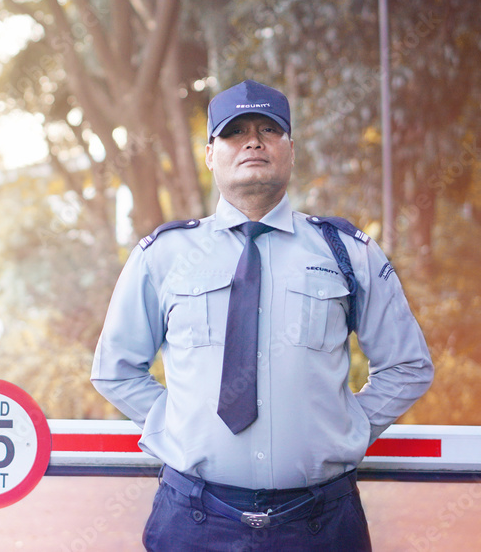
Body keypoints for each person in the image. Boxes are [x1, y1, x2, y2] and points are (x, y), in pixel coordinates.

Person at [91, 79, 434, 551]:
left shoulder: (345, 252)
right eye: (234, 132)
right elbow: (115, 369)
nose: (253, 141)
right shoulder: (163, 256)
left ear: (290, 149)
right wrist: (177, 424)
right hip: (194, 520)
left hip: (320, 523)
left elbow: (408, 366)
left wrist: (347, 426)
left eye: (268, 129)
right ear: (210, 153)